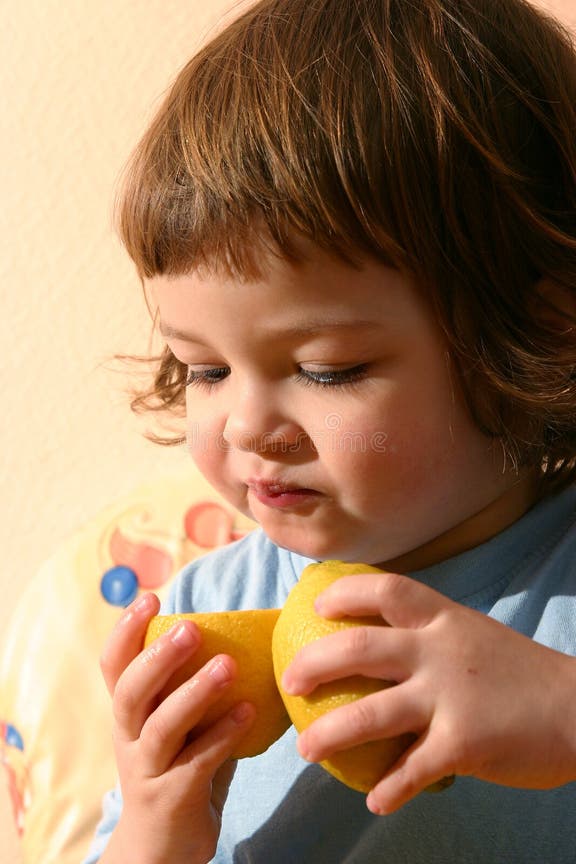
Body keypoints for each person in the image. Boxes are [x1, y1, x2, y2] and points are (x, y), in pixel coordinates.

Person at [83, 0, 576, 861]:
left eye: (327, 369)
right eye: (204, 369)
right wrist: (157, 826)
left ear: (542, 332)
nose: (246, 424)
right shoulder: (206, 615)